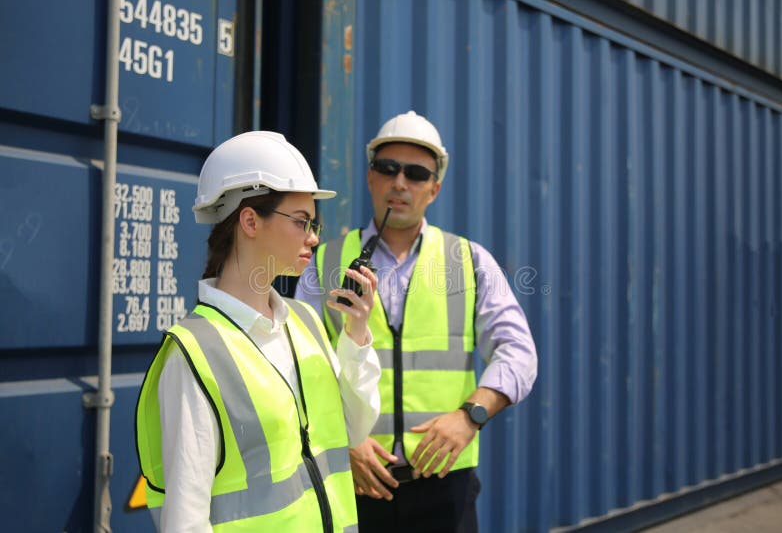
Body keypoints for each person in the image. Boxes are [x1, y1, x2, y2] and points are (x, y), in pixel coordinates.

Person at [295, 111, 538, 531]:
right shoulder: (325, 262)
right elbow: (298, 364)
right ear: (371, 177)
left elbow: (519, 353)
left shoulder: (469, 261)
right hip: (355, 481)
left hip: (445, 488)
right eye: (388, 169)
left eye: (416, 173)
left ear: (434, 188)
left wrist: (469, 416)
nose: (400, 183)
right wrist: (341, 442)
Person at [135, 131, 381, 532]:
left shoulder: (305, 322)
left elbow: (355, 429)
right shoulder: (195, 352)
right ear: (250, 220)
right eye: (302, 222)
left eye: (314, 223)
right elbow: (185, 520)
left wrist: (355, 335)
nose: (314, 237)